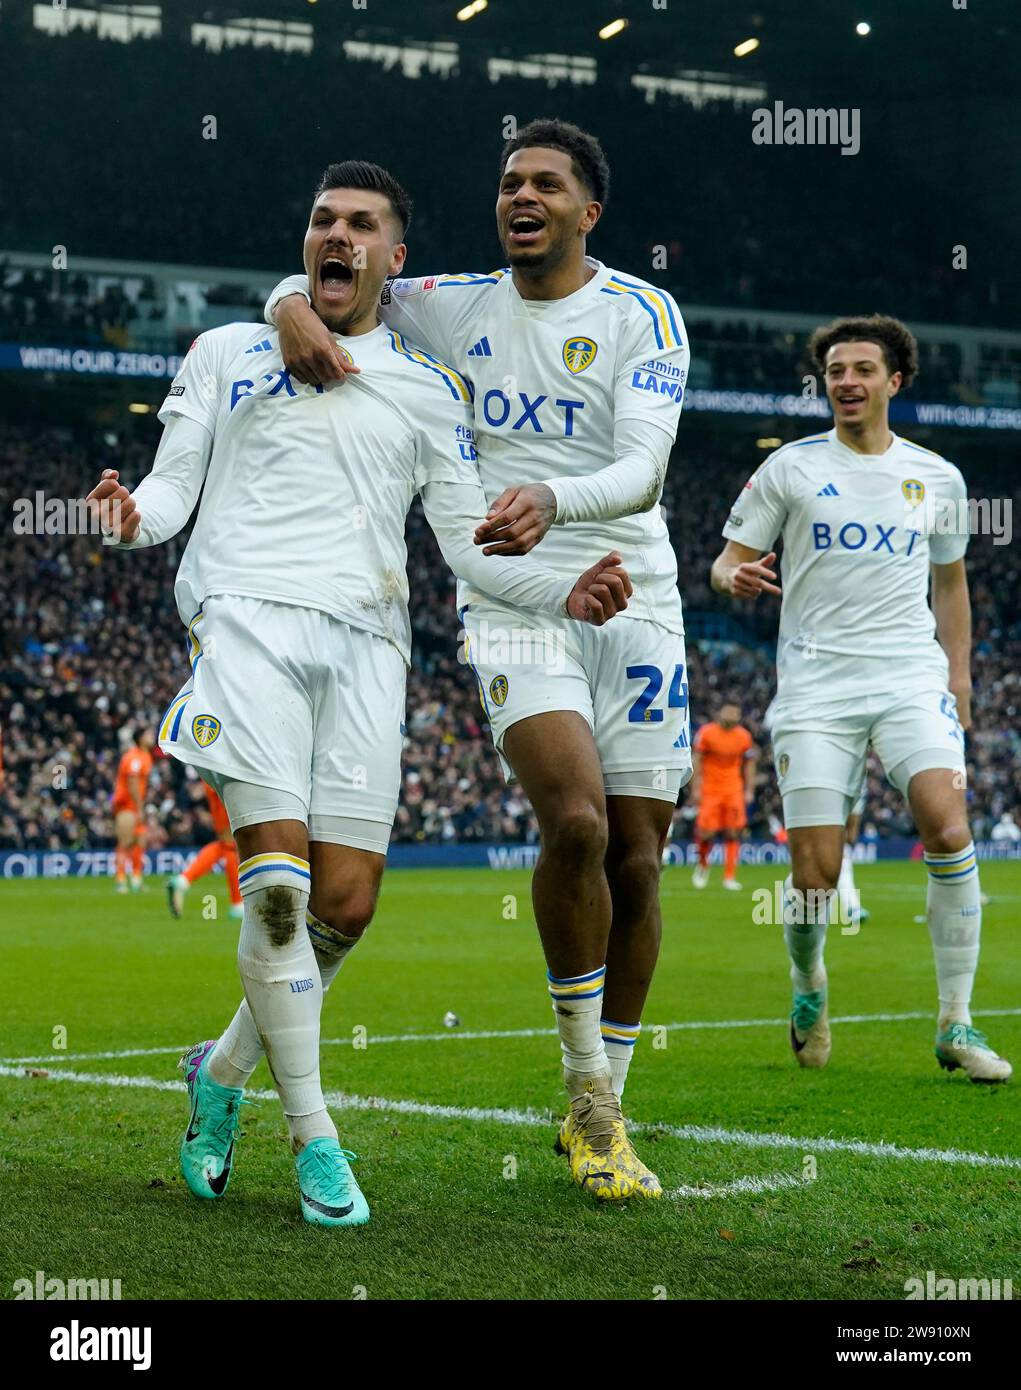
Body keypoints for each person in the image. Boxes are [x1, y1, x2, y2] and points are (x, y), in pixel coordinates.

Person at [86, 160, 631, 1229]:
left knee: (344, 906)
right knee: (279, 891)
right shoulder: (227, 350)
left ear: (394, 257)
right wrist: (129, 517)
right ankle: (316, 1139)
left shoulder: (428, 392)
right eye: (321, 219)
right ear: (306, 244)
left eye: (361, 224)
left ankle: (221, 1071)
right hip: (245, 618)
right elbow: (168, 487)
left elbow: (471, 553)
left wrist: (563, 586)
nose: (336, 234)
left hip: (372, 646)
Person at [266, 120, 691, 1200]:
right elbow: (341, 274)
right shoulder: (451, 301)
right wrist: (280, 302)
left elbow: (642, 469)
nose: (521, 196)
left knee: (637, 860)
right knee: (580, 821)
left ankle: (606, 1098)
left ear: (587, 212)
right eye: (509, 181)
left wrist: (557, 495)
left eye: (545, 183)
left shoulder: (642, 312)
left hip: (634, 593)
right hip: (510, 593)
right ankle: (589, 1093)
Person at [710, 313, 1010, 1082]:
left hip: (909, 676)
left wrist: (959, 679)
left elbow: (950, 586)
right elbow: (726, 560)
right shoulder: (790, 468)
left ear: (893, 381)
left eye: (861, 369)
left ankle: (956, 1022)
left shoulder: (938, 477)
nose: (845, 381)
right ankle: (808, 981)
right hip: (814, 686)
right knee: (813, 876)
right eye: (835, 370)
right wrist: (731, 575)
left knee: (946, 831)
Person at [690, 702, 756, 891]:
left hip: (733, 788)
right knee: (706, 832)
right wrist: (696, 787)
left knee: (733, 831)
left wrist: (749, 789)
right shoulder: (707, 733)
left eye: (734, 712)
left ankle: (729, 876)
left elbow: (749, 763)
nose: (731, 714)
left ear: (739, 715)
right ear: (720, 713)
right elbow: (698, 759)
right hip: (710, 789)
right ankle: (702, 865)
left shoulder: (744, 736)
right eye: (728, 711)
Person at [167, 782, 243, 922]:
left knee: (224, 845)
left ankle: (183, 880)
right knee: (230, 845)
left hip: (216, 779)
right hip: (225, 780)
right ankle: (237, 905)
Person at [111, 727, 155, 893]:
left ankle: (136, 879)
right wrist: (139, 808)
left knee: (140, 840)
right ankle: (120, 880)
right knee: (125, 842)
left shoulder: (145, 756)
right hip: (126, 805)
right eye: (149, 734)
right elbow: (133, 784)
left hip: (135, 806)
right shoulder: (133, 757)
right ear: (140, 738)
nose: (153, 736)